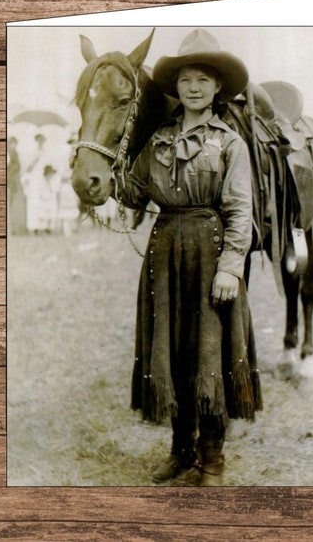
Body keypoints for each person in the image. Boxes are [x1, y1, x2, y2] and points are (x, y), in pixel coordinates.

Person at [116, 29, 261, 486]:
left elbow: (239, 209)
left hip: (210, 256)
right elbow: (134, 193)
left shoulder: (230, 144)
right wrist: (100, 166)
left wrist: (230, 268)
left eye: (202, 79)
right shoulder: (158, 140)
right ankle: (180, 452)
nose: (192, 88)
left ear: (217, 87)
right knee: (172, 352)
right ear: (175, 88)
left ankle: (211, 460)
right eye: (184, 80)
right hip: (164, 256)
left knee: (209, 355)